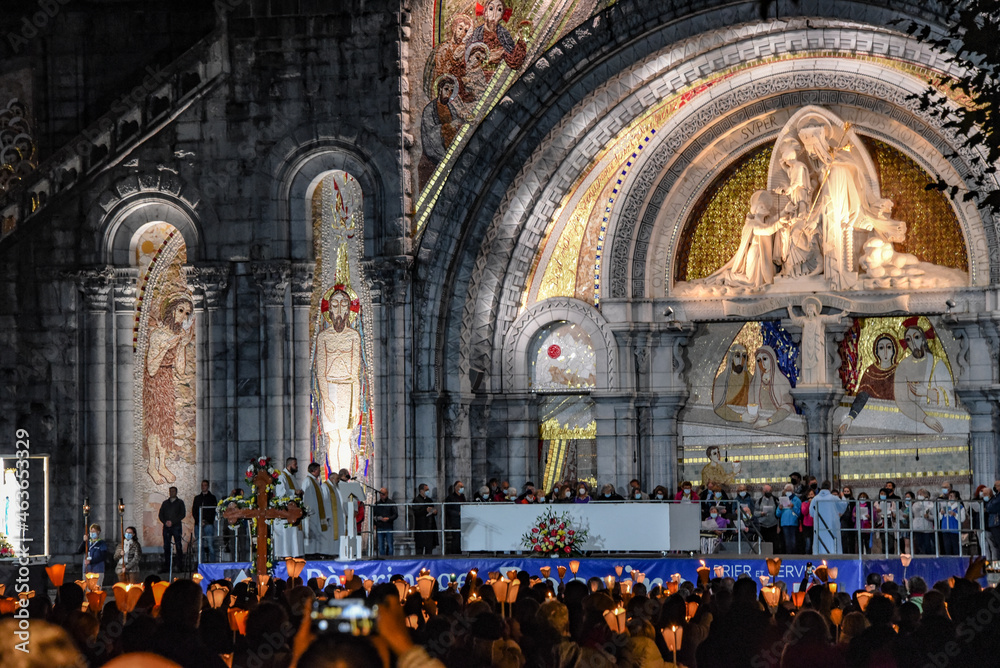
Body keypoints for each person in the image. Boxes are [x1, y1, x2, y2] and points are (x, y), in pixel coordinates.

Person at [893, 319, 953, 433]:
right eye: (909, 340)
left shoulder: (936, 363)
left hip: (939, 421)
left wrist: (927, 393)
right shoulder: (902, 367)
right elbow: (901, 401)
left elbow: (950, 396)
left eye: (916, 337)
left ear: (924, 339)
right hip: (911, 423)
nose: (914, 343)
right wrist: (925, 418)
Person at [274, 457, 304, 558]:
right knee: (287, 538)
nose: (297, 467)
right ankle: (285, 556)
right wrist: (294, 492)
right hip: (285, 514)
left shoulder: (291, 477)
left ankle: (294, 555)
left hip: (293, 513)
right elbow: (280, 493)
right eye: (295, 465)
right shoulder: (282, 477)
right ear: (289, 465)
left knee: (293, 536)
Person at [713, 343, 751, 421]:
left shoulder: (750, 379)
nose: (741, 360)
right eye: (737, 356)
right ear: (731, 358)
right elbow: (718, 407)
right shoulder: (722, 380)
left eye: (744, 356)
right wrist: (740, 417)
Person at [302, 463, 331, 558]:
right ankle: (310, 554)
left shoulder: (314, 481)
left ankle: (315, 552)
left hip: (316, 514)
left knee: (316, 534)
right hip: (310, 514)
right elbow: (305, 496)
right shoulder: (308, 481)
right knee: (311, 535)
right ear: (313, 470)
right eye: (319, 470)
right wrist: (308, 510)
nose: (320, 472)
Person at [810, 481, 848, 554]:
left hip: (820, 526)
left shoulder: (815, 499)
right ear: (829, 488)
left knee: (820, 543)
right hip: (832, 525)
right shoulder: (833, 498)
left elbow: (811, 513)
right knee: (832, 542)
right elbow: (843, 506)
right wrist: (843, 496)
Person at [158, 486, 185, 572]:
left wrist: (172, 522)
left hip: (176, 527)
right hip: (166, 527)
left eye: (173, 491)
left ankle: (179, 565)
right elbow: (160, 514)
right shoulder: (165, 503)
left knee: (178, 546)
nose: (172, 493)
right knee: (166, 546)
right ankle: (167, 566)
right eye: (170, 491)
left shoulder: (180, 502)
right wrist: (165, 522)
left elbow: (182, 514)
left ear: (176, 492)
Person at [191, 480, 217, 563]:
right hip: (198, 524)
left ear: (208, 486)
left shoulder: (212, 498)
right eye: (202, 485)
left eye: (205, 485)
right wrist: (199, 521)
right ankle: (201, 563)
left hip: (208, 524)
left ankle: (212, 564)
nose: (203, 487)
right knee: (199, 545)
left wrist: (206, 521)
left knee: (210, 545)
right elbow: (194, 511)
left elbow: (213, 511)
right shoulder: (197, 498)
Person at [411, 484, 439, 555]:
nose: (427, 491)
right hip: (421, 527)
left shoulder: (429, 500)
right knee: (419, 549)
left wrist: (434, 511)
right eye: (426, 490)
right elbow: (416, 512)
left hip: (429, 527)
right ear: (421, 491)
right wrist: (425, 510)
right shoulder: (416, 500)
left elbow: (433, 509)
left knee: (429, 549)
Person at [776, 484, 802, 554]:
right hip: (785, 523)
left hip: (794, 523)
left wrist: (793, 507)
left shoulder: (797, 500)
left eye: (790, 490)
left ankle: (794, 556)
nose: (788, 491)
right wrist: (780, 509)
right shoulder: (782, 499)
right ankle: (788, 556)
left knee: (793, 542)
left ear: (793, 491)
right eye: (787, 490)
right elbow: (777, 514)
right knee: (787, 542)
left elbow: (800, 513)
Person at [373, 487, 398, 556]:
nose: (382, 496)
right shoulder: (377, 503)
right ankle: (382, 559)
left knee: (390, 544)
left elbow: (395, 515)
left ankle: (390, 559)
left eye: (383, 494)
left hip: (388, 526)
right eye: (380, 494)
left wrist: (388, 518)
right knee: (381, 545)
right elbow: (373, 514)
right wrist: (374, 523)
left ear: (387, 494)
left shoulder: (391, 503)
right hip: (380, 526)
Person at [939, 490, 965, 555]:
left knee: (955, 548)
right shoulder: (945, 506)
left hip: (955, 530)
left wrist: (955, 514)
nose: (950, 498)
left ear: (956, 498)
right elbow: (939, 518)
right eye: (949, 496)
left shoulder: (960, 507)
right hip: (945, 529)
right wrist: (941, 513)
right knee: (947, 548)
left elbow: (962, 519)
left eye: (952, 496)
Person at [910, 488, 936, 555]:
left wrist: (928, 516)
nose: (919, 495)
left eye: (920, 494)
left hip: (927, 528)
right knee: (919, 545)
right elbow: (914, 513)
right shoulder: (915, 504)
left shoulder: (931, 504)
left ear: (926, 495)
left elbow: (934, 517)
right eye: (918, 494)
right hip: (917, 528)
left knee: (928, 546)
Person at [444, 480, 466, 554]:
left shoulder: (463, 497)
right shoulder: (450, 498)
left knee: (461, 538)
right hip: (454, 521)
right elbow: (448, 510)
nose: (462, 488)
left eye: (462, 487)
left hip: (463, 520)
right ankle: (455, 553)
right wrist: (457, 513)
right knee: (455, 538)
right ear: (456, 488)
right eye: (460, 486)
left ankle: (461, 551)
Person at [755, 484, 780, 550]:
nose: (768, 492)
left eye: (770, 490)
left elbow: (778, 514)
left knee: (774, 544)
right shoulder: (759, 501)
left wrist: (778, 526)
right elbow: (754, 513)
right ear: (763, 491)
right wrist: (761, 513)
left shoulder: (776, 500)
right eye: (767, 490)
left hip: (773, 525)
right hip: (762, 526)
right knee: (763, 545)